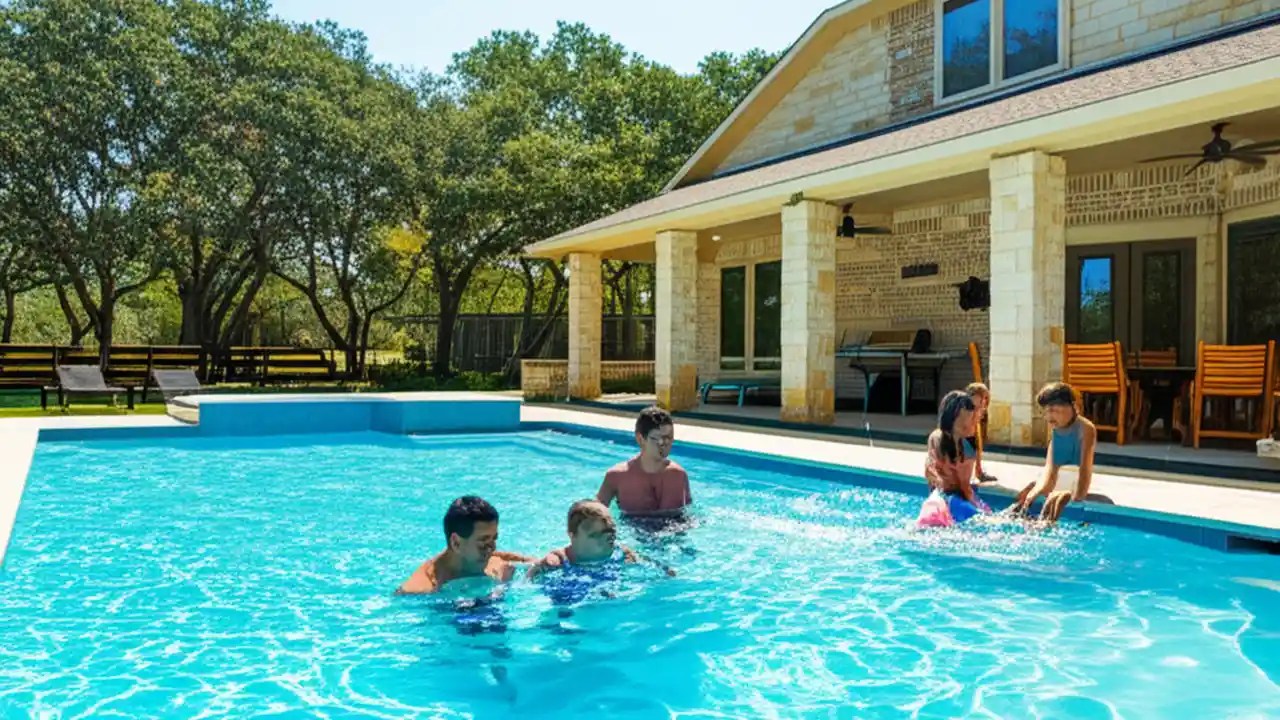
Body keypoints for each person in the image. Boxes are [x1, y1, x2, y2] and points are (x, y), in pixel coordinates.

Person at [528, 500, 675, 606]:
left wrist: (665, 571)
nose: (608, 538)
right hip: (571, 588)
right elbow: (531, 576)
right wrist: (540, 567)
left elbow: (648, 563)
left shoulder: (622, 552)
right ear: (572, 536)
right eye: (596, 534)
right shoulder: (560, 559)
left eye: (611, 532)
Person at [396, 495, 535, 595]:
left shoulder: (486, 560)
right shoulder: (420, 590)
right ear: (456, 543)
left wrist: (543, 562)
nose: (492, 548)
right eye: (484, 542)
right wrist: (502, 586)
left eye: (494, 539)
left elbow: (503, 557)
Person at [1012, 382, 1098, 524]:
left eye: (1054, 411)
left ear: (1073, 407)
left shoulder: (1086, 428)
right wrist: (1038, 490)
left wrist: (1077, 500)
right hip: (1059, 480)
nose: (1049, 417)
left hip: (1075, 482)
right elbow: (1050, 468)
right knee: (1026, 499)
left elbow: (1085, 471)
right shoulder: (1055, 429)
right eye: (1045, 411)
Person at [597, 406, 692, 517]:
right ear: (640, 439)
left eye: (669, 438)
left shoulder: (678, 475)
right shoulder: (617, 476)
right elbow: (595, 514)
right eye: (658, 438)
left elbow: (688, 517)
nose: (664, 444)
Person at [917, 390, 992, 528]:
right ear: (953, 419)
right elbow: (930, 469)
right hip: (947, 497)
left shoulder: (967, 445)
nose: (971, 425)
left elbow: (964, 485)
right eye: (967, 422)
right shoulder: (939, 437)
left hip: (954, 497)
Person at [965, 382, 998, 484]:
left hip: (971, 430)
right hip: (965, 433)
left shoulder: (978, 408)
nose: (985, 403)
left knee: (976, 445)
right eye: (983, 398)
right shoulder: (968, 407)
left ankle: (978, 472)